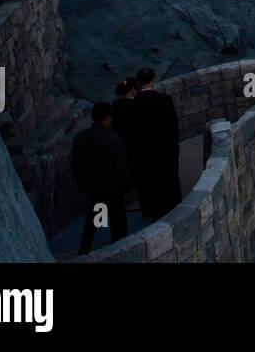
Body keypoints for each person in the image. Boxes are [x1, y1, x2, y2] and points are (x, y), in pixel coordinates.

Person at [71, 101, 129, 255]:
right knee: (118, 224)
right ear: (107, 119)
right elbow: (121, 168)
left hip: (93, 189)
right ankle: (119, 253)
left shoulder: (80, 137)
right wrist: (124, 189)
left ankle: (84, 252)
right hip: (113, 190)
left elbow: (76, 164)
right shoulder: (114, 139)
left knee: (94, 223)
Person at [128, 67, 182, 221]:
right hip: (165, 151)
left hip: (143, 154)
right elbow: (173, 127)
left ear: (138, 83)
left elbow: (131, 132)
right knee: (167, 183)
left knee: (148, 185)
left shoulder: (132, 104)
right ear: (153, 80)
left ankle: (152, 212)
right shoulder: (164, 100)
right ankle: (171, 210)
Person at [111, 77, 139, 191]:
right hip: (131, 141)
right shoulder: (133, 106)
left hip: (120, 141)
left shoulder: (115, 105)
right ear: (132, 90)